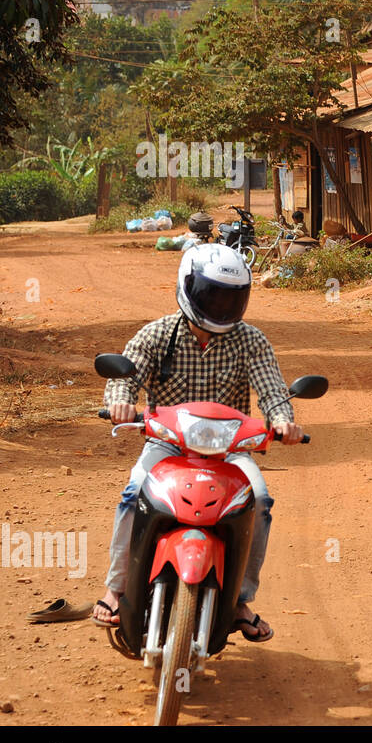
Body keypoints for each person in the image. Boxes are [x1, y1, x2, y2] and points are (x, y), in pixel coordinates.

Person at [92, 243, 302, 642]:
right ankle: (116, 589)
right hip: (168, 446)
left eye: (230, 298)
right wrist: (120, 402)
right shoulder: (157, 334)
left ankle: (239, 600)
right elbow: (125, 374)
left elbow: (273, 391)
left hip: (230, 451)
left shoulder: (250, 341)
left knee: (258, 502)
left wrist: (282, 421)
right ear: (188, 288)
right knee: (133, 493)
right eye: (212, 295)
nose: (221, 305)